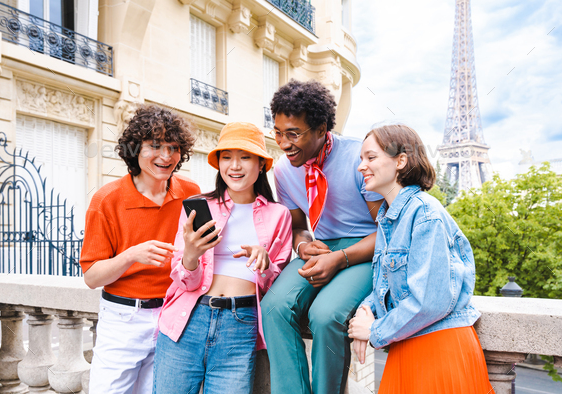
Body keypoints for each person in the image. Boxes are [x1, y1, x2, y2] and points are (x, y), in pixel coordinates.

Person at [260, 79, 384, 394]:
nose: (283, 143)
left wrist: (340, 258)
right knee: (274, 307)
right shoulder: (284, 171)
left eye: (293, 134)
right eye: (278, 132)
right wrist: (302, 245)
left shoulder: (360, 158)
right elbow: (298, 225)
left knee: (326, 315)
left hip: (365, 250)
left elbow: (387, 230)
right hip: (322, 248)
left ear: (321, 128)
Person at [349, 124, 493, 393]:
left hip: (438, 350)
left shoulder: (425, 213)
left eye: (370, 157)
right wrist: (366, 309)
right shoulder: (389, 218)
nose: (361, 167)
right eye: (361, 159)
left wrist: (374, 331)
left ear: (400, 161)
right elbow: (389, 285)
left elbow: (430, 301)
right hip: (410, 345)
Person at [153, 122, 292, 394]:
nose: (235, 166)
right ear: (218, 164)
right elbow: (184, 280)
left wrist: (264, 264)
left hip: (240, 327)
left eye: (245, 157)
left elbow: (275, 286)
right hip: (187, 320)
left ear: (261, 164)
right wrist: (191, 256)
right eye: (226, 157)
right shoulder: (199, 206)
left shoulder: (279, 215)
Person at [79, 104, 200, 393]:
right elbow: (92, 277)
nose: (166, 156)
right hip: (123, 320)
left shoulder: (191, 193)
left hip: (173, 317)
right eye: (154, 146)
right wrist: (132, 255)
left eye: (173, 147)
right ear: (134, 149)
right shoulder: (106, 200)